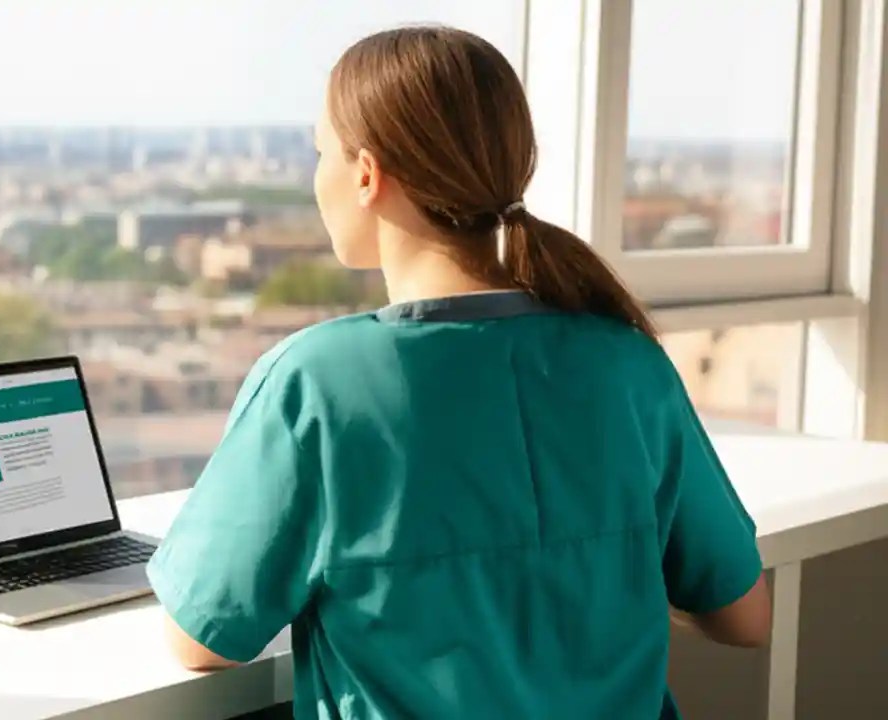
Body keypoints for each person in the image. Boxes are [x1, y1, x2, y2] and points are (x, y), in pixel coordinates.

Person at [145, 25, 771, 719]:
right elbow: (745, 619)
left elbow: (201, 637)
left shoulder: (317, 383)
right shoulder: (629, 364)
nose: (315, 175)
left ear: (365, 174)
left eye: (320, 151)